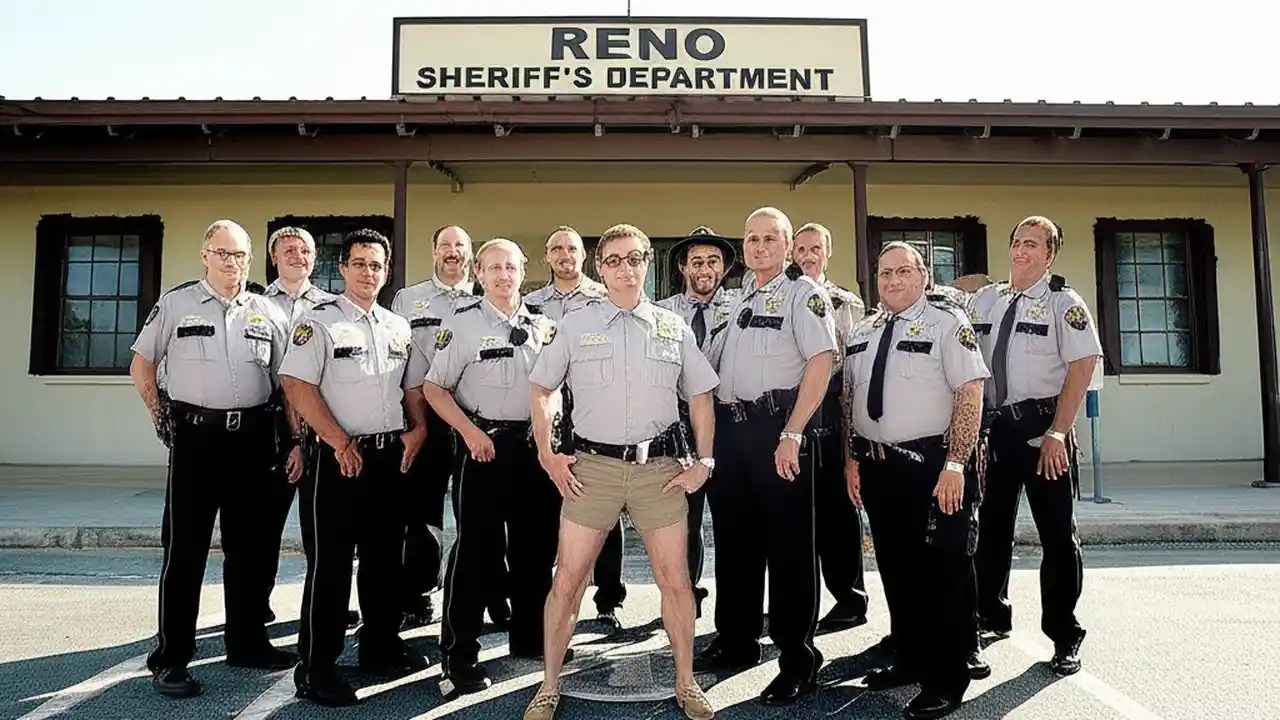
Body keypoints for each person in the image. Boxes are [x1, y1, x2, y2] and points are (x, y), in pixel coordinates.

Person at [523, 223, 719, 720]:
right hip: (592, 469)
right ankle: (548, 685)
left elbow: (700, 397)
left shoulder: (672, 326)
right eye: (614, 260)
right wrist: (548, 452)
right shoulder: (574, 325)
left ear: (647, 263)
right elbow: (544, 387)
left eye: (634, 258)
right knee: (567, 579)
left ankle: (686, 681)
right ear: (599, 267)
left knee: (675, 581)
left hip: (659, 470)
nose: (625, 268)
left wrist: (706, 462)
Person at [128, 219, 298, 698]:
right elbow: (142, 364)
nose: (233, 263)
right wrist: (161, 417)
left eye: (241, 255)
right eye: (223, 254)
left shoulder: (267, 311)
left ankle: (247, 642)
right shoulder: (177, 304)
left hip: (255, 440)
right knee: (186, 551)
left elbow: (287, 383)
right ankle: (172, 657)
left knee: (252, 549)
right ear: (205, 256)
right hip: (197, 441)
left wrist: (294, 441)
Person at [279, 229, 429, 707]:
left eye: (377, 264)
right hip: (340, 459)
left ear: (387, 272)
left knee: (385, 561)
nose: (369, 272)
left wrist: (418, 428)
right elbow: (296, 383)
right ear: (342, 268)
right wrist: (338, 441)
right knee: (332, 566)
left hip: (388, 458)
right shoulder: (318, 321)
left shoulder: (396, 326)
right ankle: (317, 668)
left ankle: (380, 647)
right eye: (359, 263)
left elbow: (412, 387)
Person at [696, 207, 836, 705]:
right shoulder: (736, 301)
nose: (758, 247)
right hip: (733, 435)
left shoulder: (805, 295)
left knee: (791, 550)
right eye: (751, 239)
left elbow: (822, 362)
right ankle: (736, 641)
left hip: (779, 431)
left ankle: (798, 659)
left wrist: (794, 432)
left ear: (787, 244)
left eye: (769, 239)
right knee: (736, 543)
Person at [843, 241, 988, 720]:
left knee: (941, 574)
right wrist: (851, 460)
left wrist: (956, 463)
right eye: (885, 273)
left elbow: (970, 392)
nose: (893, 281)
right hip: (879, 467)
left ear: (923, 275)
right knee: (896, 570)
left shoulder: (949, 323)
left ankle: (946, 678)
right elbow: (848, 401)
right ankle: (908, 657)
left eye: (904, 271)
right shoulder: (863, 330)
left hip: (933, 466)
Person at [421, 239, 562, 693]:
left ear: (524, 271)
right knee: (476, 554)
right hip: (483, 447)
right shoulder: (461, 326)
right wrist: (470, 433)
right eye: (494, 267)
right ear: (479, 273)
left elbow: (557, 385)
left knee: (535, 551)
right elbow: (435, 388)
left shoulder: (544, 327)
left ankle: (529, 639)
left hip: (534, 450)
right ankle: (459, 656)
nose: (504, 275)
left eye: (511, 267)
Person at [970, 216, 1100, 676]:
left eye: (1032, 244)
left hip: (1044, 430)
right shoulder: (988, 300)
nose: (1021, 251)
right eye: (1016, 242)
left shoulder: (1064, 302)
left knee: (1058, 537)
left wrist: (1059, 433)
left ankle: (1065, 635)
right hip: (998, 432)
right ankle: (991, 615)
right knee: (991, 529)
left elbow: (1082, 366)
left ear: (1050, 254)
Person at [524, 226, 626, 631]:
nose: (565, 254)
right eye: (556, 248)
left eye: (572, 247)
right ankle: (552, 597)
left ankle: (608, 599)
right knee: (546, 509)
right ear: (547, 256)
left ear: (584, 256)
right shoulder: (530, 305)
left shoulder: (606, 299)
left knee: (605, 509)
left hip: (594, 416)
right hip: (548, 418)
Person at [391, 224, 486, 629]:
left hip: (475, 419)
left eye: (460, 246)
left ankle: (489, 596)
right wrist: (411, 421)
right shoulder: (407, 299)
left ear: (470, 255)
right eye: (445, 245)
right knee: (421, 513)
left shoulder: (486, 300)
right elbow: (396, 359)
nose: (452, 252)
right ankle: (417, 594)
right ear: (434, 252)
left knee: (481, 513)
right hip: (424, 418)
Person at [790, 222, 870, 631]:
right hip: (793, 415)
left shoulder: (846, 302)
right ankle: (794, 604)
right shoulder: (782, 297)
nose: (807, 255)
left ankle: (850, 599)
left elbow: (854, 368)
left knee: (839, 513)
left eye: (814, 248)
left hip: (834, 412)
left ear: (828, 252)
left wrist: (853, 437)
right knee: (794, 516)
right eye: (800, 248)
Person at [258, 226, 340, 626]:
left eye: (305, 250)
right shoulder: (254, 303)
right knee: (262, 529)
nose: (298, 256)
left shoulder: (332, 307)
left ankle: (323, 609)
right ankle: (254, 608)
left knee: (320, 531)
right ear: (274, 257)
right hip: (270, 429)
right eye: (288, 250)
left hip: (319, 428)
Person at [657, 225, 739, 618]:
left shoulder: (741, 307)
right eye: (696, 262)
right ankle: (682, 599)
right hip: (680, 428)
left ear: (723, 268)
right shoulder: (663, 313)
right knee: (681, 520)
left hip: (733, 426)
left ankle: (735, 610)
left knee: (732, 521)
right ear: (682, 267)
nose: (704, 269)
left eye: (712, 261)